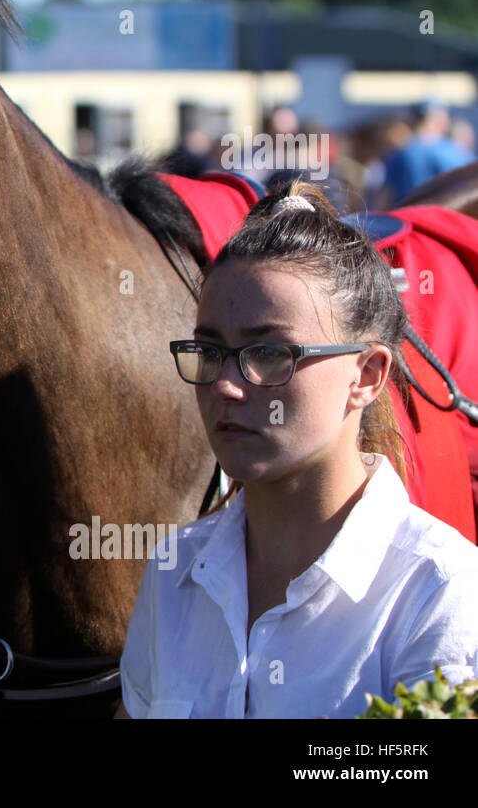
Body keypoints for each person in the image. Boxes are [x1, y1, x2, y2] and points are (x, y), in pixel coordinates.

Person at [120, 181, 478, 718]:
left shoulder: (439, 589)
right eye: (209, 351)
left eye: (269, 353)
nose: (225, 385)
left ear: (368, 374)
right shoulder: (175, 572)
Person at [376, 100, 475, 207]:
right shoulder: (452, 152)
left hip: (403, 218)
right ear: (438, 118)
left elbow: (384, 196)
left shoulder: (397, 152)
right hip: (437, 219)